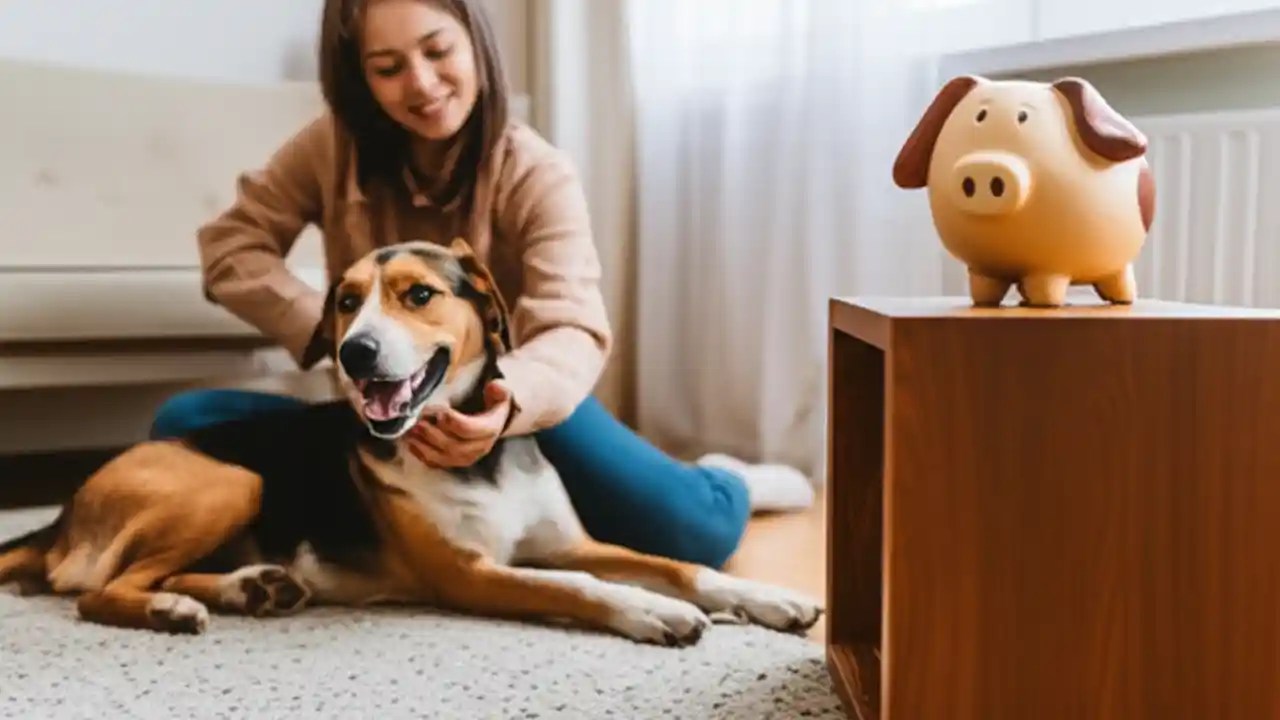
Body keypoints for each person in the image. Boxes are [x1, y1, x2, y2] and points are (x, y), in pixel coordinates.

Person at [154, 0, 815, 570]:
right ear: (360, 79)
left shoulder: (537, 172)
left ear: (476, 42)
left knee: (690, 533)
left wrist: (505, 404)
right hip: (383, 418)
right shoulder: (330, 147)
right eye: (387, 68)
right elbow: (230, 246)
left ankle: (727, 481)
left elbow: (572, 325)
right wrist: (332, 332)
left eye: (438, 51)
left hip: (515, 410)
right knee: (181, 428)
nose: (421, 83)